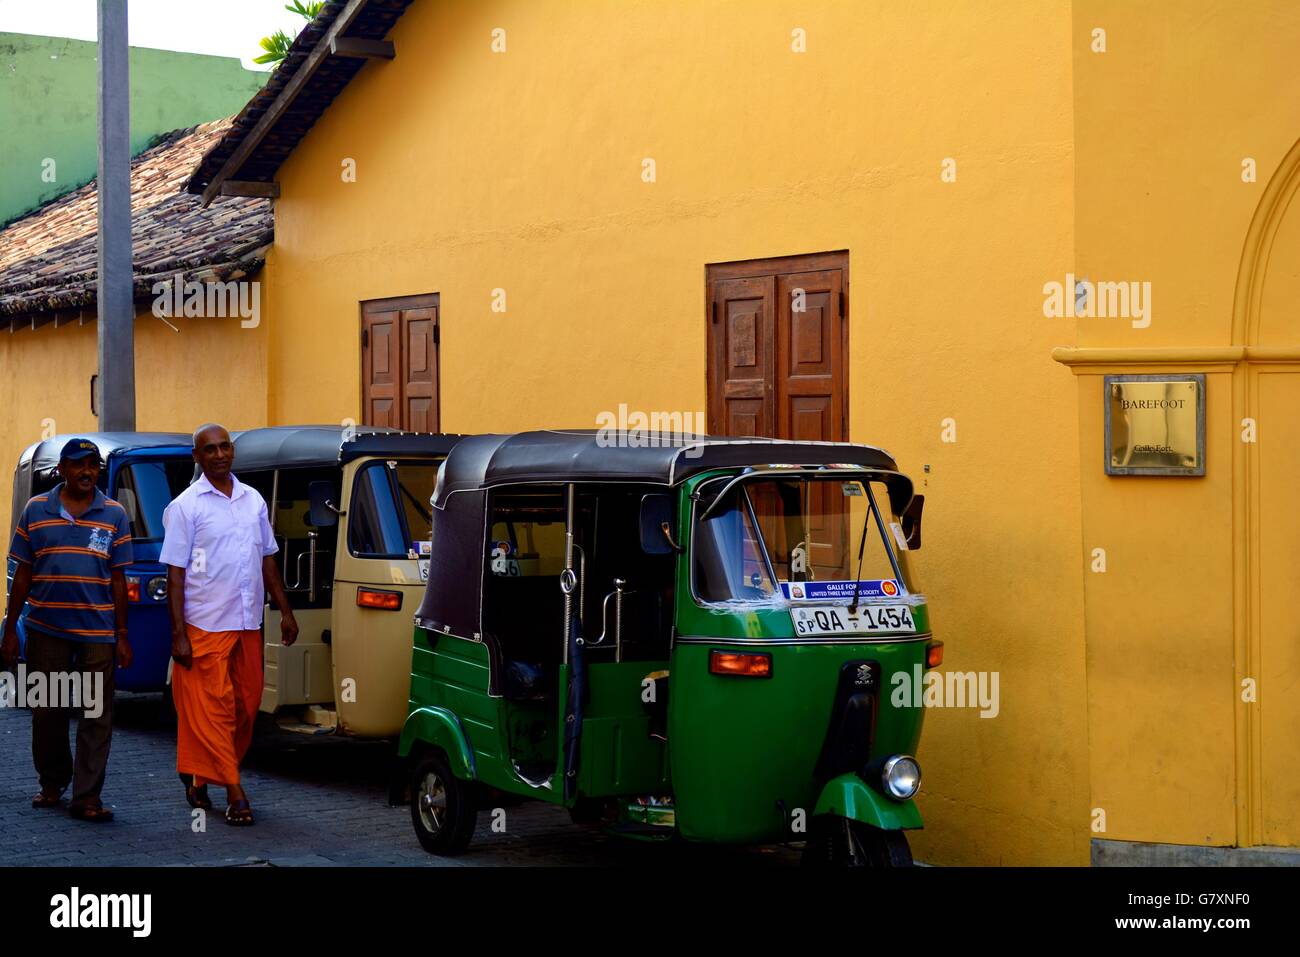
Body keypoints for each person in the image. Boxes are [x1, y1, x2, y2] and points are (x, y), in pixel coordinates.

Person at [160, 423, 297, 825]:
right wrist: (178, 635)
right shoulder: (185, 507)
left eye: (224, 447)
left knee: (246, 707)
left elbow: (267, 557)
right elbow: (175, 575)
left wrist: (285, 610)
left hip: (247, 623)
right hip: (204, 626)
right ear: (197, 458)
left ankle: (200, 776)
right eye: (210, 449)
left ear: (232, 451)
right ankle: (235, 792)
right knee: (214, 711)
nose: (219, 454)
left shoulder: (253, 500)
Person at [2, 438, 132, 822]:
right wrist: (11, 629)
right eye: (78, 465)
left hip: (97, 633)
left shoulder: (114, 514)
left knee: (96, 714)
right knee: (48, 711)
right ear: (62, 470)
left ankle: (87, 796)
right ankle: (52, 781)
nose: (86, 471)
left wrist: (122, 635)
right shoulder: (36, 510)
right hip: (46, 629)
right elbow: (22, 573)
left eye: (92, 464)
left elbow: (119, 579)